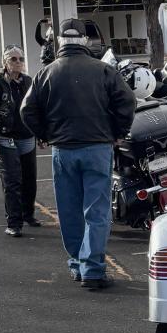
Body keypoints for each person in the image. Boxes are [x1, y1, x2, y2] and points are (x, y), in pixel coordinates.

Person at [20, 18, 135, 289]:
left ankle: (77, 264)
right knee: (96, 211)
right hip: (97, 147)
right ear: (85, 41)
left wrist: (45, 134)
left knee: (70, 210)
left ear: (59, 41)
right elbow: (127, 101)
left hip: (63, 149)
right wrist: (117, 131)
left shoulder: (46, 73)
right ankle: (93, 269)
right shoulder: (104, 70)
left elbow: (27, 110)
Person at [0, 46, 40, 237]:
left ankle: (28, 214)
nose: (18, 62)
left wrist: (39, 134)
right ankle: (14, 223)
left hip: (27, 137)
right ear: (5, 63)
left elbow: (34, 110)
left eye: (20, 59)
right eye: (13, 59)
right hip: (6, 138)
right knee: (12, 181)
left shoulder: (28, 81)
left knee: (29, 180)